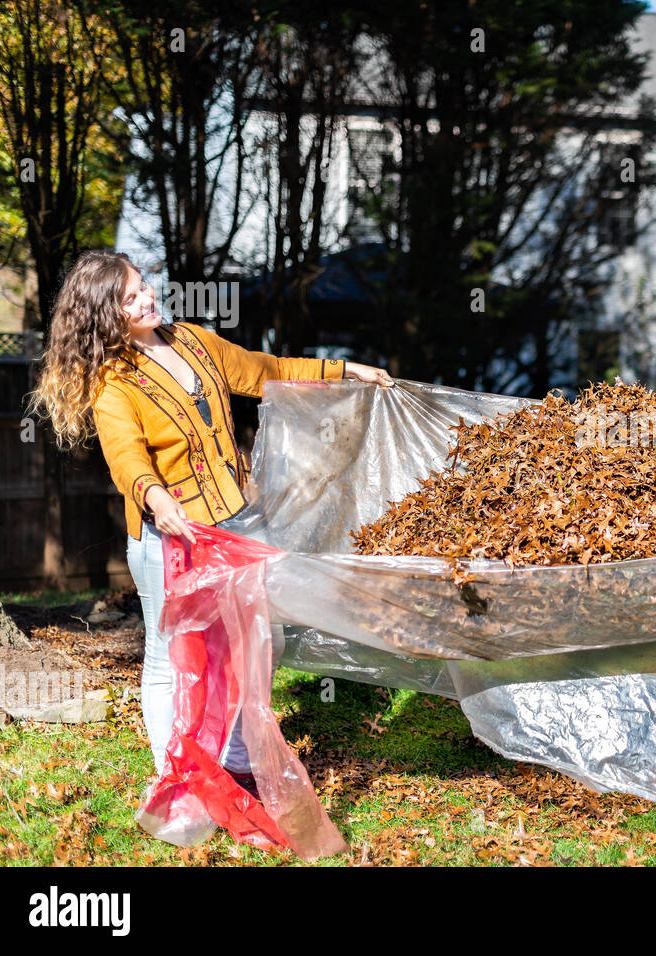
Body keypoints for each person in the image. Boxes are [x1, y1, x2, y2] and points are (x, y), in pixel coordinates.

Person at [30, 250, 395, 793]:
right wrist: (156, 498)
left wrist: (347, 370)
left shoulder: (196, 341)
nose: (147, 298)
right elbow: (126, 456)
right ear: (106, 313)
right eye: (130, 297)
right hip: (166, 539)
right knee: (168, 655)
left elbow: (267, 370)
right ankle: (172, 775)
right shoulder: (112, 383)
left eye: (144, 286)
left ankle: (238, 761)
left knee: (252, 643)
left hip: (237, 525)